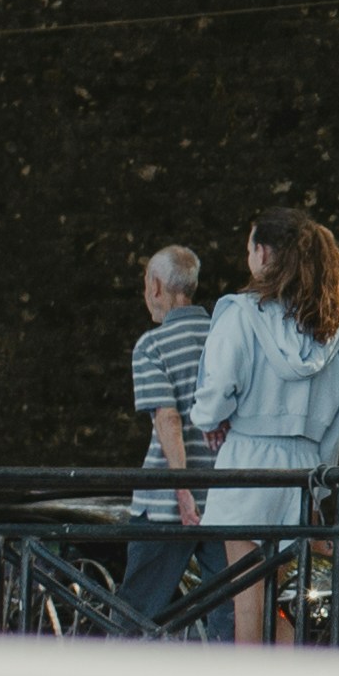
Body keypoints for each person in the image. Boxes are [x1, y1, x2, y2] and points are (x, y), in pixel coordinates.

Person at [195, 209, 339, 645]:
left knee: (248, 603)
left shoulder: (240, 313)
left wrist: (210, 420)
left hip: (248, 458)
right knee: (269, 600)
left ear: (262, 253)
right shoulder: (328, 329)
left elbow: (219, 383)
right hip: (301, 468)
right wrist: (320, 486)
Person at [123, 244, 214, 638]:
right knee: (231, 608)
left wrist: (182, 489)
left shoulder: (152, 345)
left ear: (157, 286)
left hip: (166, 503)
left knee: (136, 613)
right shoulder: (224, 337)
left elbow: (167, 416)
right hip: (227, 500)